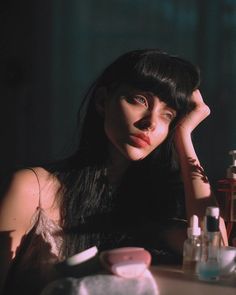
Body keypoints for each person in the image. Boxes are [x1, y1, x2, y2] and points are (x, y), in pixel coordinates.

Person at [0, 49, 228, 295]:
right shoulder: (31, 188)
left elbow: (214, 252)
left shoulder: (153, 204)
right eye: (140, 100)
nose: (150, 123)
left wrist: (183, 136)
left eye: (167, 115)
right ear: (102, 101)